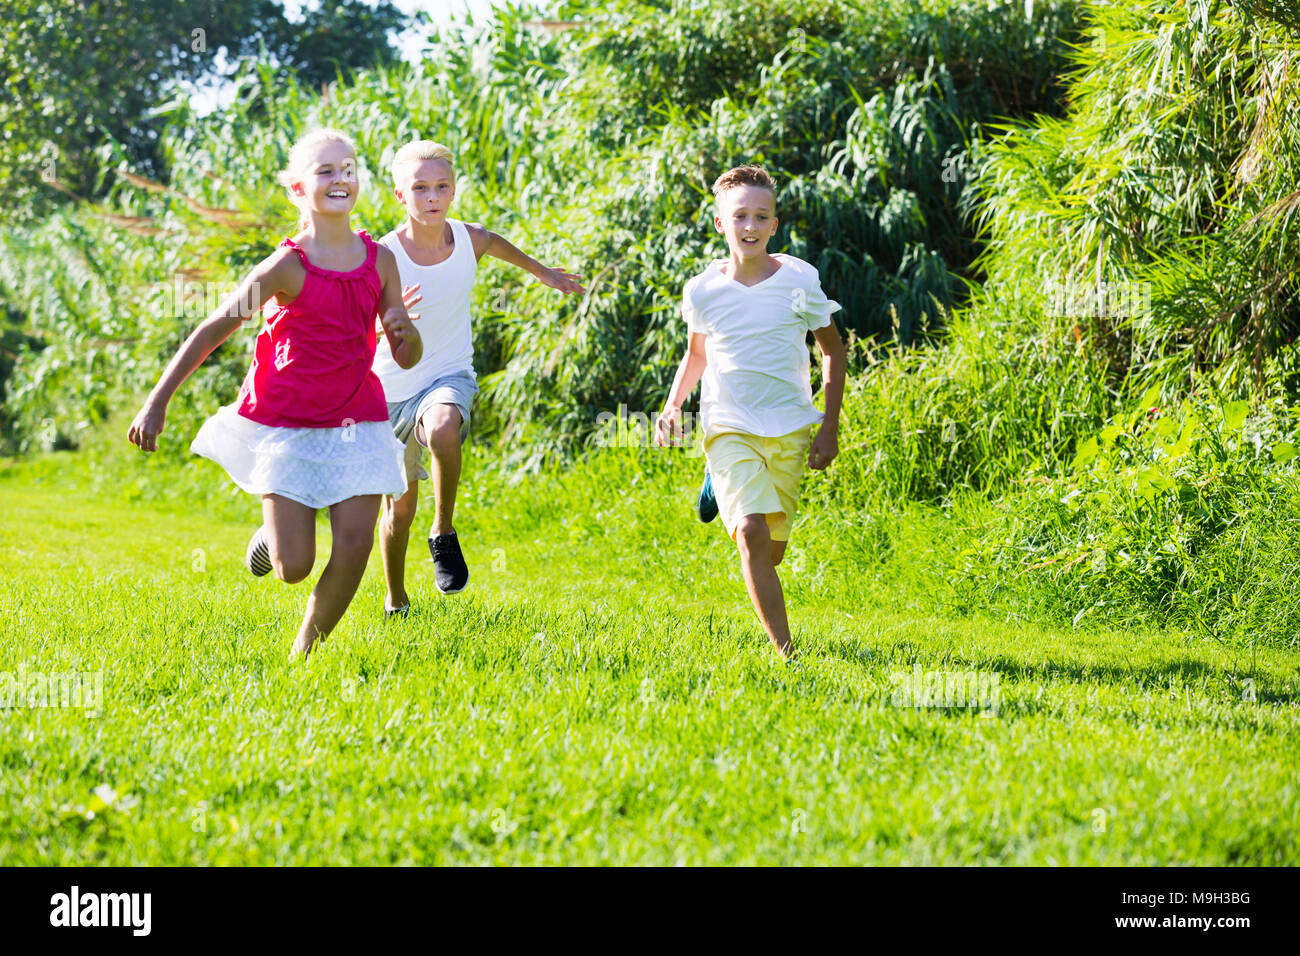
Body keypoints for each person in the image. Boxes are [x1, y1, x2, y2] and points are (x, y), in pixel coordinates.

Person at [127, 129, 422, 657]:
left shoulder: (381, 262)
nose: (341, 179)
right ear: (296, 189)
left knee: (355, 543)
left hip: (358, 417)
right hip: (286, 423)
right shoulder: (286, 266)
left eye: (348, 169)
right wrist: (157, 400)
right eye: (325, 171)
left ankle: (304, 651)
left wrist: (404, 330)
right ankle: (275, 534)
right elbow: (215, 328)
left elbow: (406, 354)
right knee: (294, 568)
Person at [374, 140, 585, 616]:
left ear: (453, 191)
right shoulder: (383, 254)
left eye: (441, 187)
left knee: (445, 426)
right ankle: (396, 598)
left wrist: (542, 272)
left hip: (448, 374)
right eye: (420, 188)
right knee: (398, 511)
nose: (432, 196)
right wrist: (388, 320)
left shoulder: (468, 240)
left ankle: (443, 530)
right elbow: (360, 322)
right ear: (399, 196)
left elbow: (494, 242)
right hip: (389, 391)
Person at [655, 165, 846, 660]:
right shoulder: (702, 290)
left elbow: (833, 351)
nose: (750, 226)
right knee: (751, 534)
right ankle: (787, 654)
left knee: (771, 552)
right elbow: (696, 355)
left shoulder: (800, 281)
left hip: (790, 425)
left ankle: (716, 486)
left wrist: (830, 425)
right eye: (740, 215)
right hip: (727, 422)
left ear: (775, 225)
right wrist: (673, 405)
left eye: (761, 216)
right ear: (720, 223)